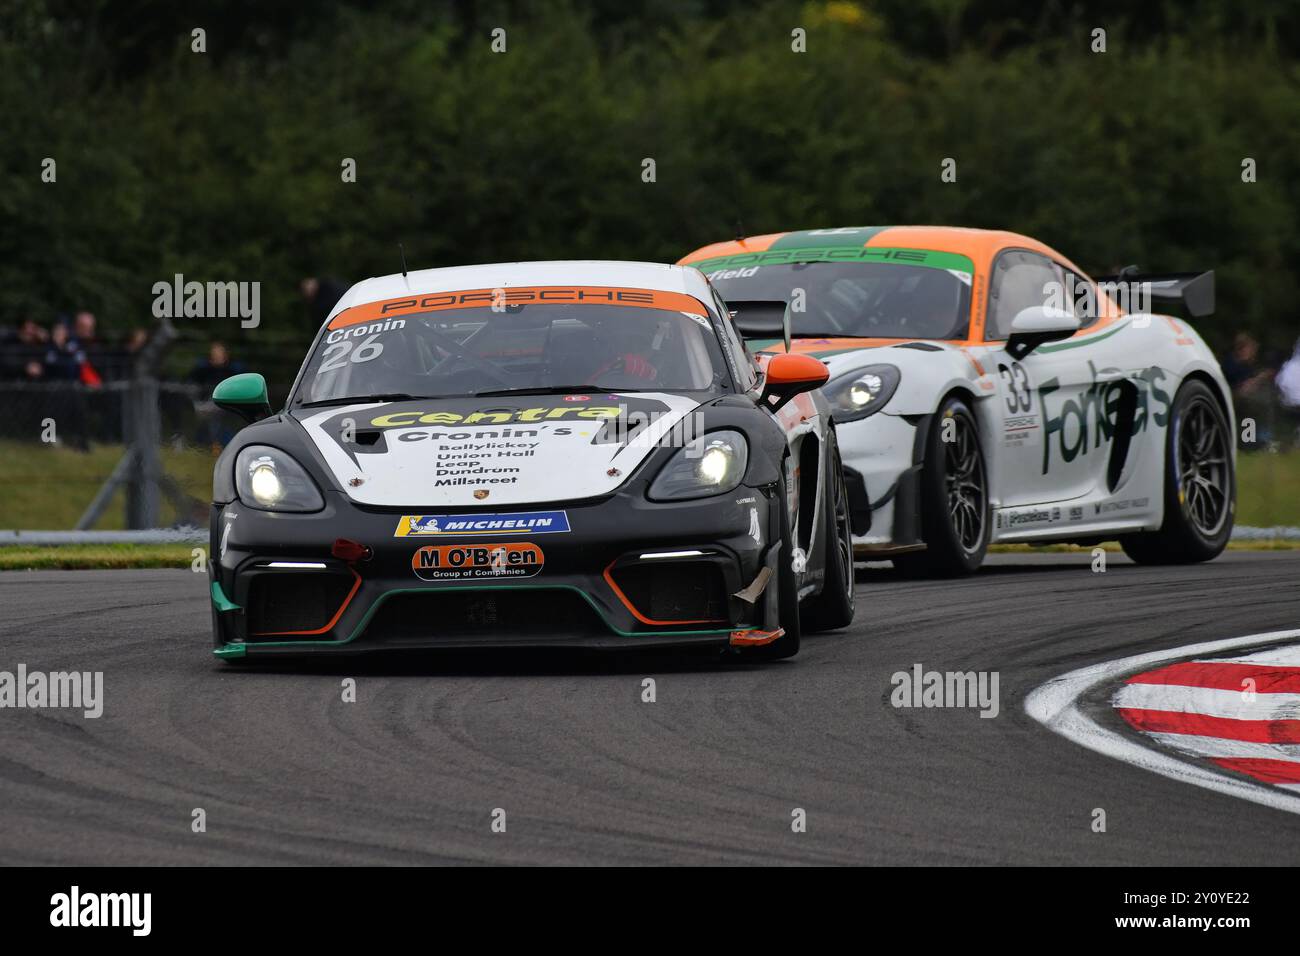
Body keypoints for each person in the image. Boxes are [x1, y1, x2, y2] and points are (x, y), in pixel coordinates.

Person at [1220, 332, 1275, 449]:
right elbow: (1242, 389)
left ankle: (1260, 439)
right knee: (1254, 405)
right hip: (1233, 398)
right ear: (1243, 349)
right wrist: (1260, 377)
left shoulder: (1244, 364)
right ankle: (1250, 442)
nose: (1253, 353)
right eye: (1252, 349)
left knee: (1264, 400)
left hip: (1240, 396)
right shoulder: (1232, 365)